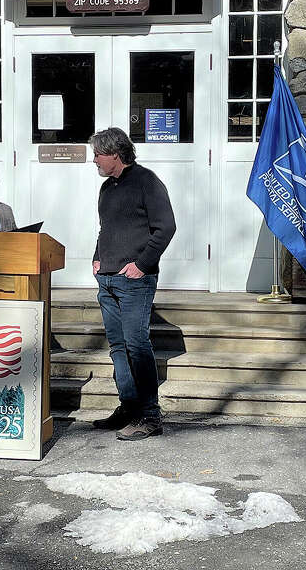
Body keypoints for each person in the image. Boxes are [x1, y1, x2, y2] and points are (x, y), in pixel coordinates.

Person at [89, 127, 176, 441]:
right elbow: (106, 229)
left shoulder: (146, 182)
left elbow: (166, 228)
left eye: (97, 154)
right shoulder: (107, 188)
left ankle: (149, 415)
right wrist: (98, 258)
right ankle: (128, 407)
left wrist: (141, 265)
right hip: (108, 280)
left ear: (115, 154)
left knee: (137, 346)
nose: (94, 160)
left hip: (135, 282)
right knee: (118, 348)